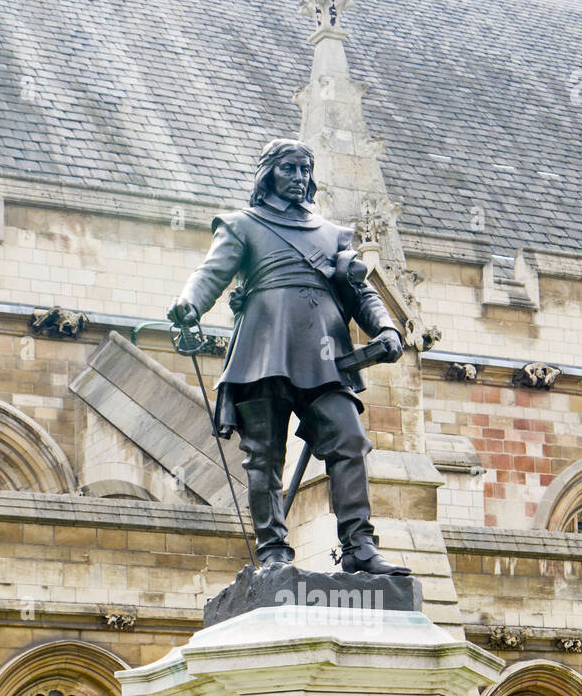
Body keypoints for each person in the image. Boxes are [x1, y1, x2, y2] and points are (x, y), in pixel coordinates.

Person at [167, 138, 410, 575]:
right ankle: (274, 550)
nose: (299, 178)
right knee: (264, 454)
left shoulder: (333, 234)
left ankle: (358, 544)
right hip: (263, 349)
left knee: (349, 440)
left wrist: (387, 327)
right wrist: (189, 304)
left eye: (305, 170)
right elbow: (211, 274)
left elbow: (360, 290)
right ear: (268, 175)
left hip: (324, 353)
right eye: (289, 169)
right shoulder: (242, 225)